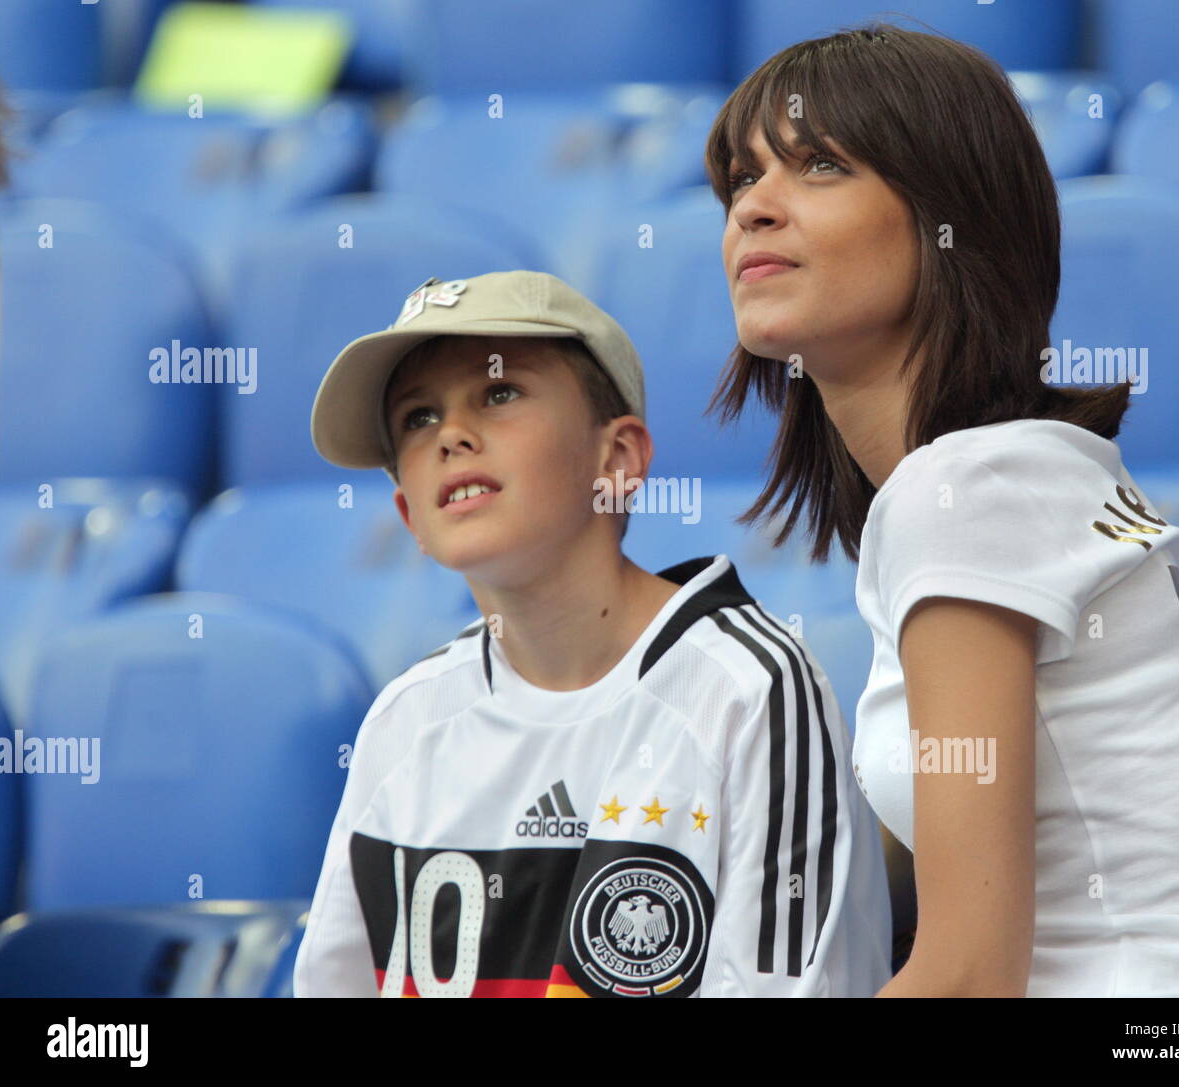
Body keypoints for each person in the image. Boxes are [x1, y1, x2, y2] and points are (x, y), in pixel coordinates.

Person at [702, 24, 1179, 996]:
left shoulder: (965, 492)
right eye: (739, 179)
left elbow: (970, 976)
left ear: (949, 219)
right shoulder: (1016, 477)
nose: (753, 208)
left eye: (818, 166)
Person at [294, 270, 892, 997]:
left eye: (500, 392)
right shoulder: (404, 718)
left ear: (618, 459)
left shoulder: (748, 689)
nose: (450, 434)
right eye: (417, 418)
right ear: (409, 515)